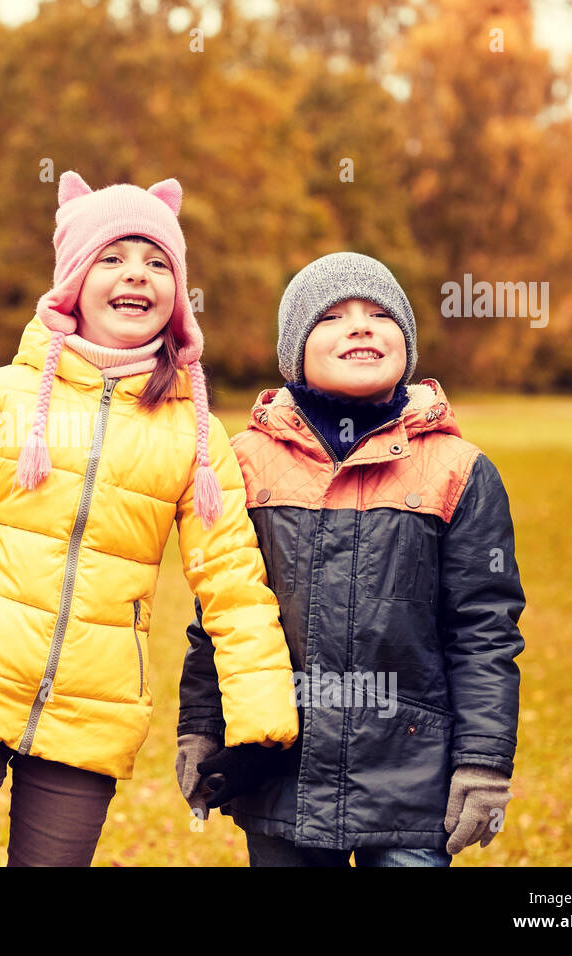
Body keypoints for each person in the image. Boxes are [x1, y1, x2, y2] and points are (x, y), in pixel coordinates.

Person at [0, 171, 298, 866]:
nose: (136, 276)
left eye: (157, 263)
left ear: (178, 293)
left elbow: (234, 585)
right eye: (112, 258)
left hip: (95, 708)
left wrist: (259, 726)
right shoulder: (5, 396)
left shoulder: (195, 433)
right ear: (74, 278)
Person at [175, 251, 525, 867]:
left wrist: (484, 763)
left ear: (406, 344)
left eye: (379, 314)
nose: (361, 326)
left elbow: (484, 633)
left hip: (415, 779)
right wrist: (201, 723)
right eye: (333, 316)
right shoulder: (244, 465)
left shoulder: (459, 471)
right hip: (283, 770)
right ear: (295, 351)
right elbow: (220, 611)